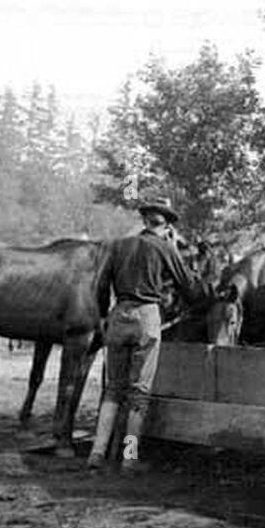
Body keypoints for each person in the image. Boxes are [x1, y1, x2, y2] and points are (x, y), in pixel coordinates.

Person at [88, 197, 215, 473]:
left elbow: (100, 287)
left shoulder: (119, 246)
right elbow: (190, 290)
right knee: (139, 394)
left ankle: (97, 453)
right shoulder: (165, 248)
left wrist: (102, 316)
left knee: (113, 389)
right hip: (146, 318)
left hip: (118, 315)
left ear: (144, 220)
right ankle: (129, 458)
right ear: (167, 225)